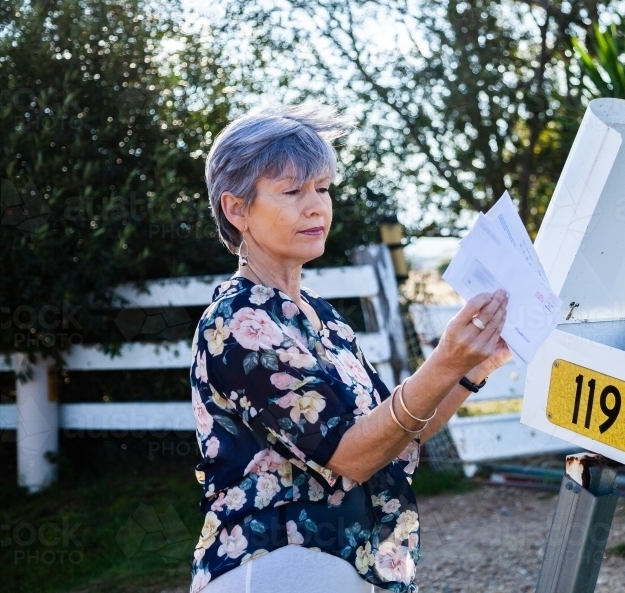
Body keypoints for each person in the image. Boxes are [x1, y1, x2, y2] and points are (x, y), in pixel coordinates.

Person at [189, 104, 511, 593]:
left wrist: (474, 367)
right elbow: (352, 457)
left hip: (343, 563)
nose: (316, 205)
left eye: (322, 188)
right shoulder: (239, 321)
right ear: (237, 210)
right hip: (278, 566)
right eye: (293, 191)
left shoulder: (325, 318)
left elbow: (397, 433)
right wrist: (445, 359)